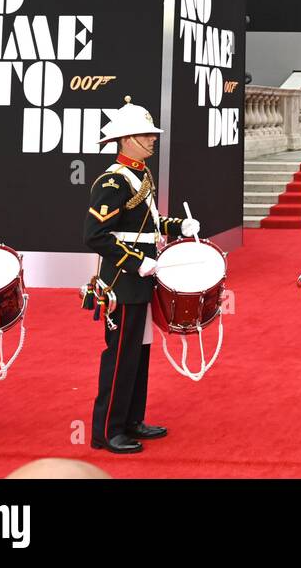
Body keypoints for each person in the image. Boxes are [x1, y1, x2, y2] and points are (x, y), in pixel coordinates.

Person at [85, 96, 197, 454]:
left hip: (143, 275)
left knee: (140, 351)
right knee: (120, 353)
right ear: (127, 138)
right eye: (146, 135)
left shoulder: (139, 175)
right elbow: (96, 235)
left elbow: (149, 224)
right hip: (123, 279)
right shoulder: (113, 182)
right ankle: (107, 430)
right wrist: (136, 262)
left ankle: (132, 419)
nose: (152, 139)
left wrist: (179, 225)